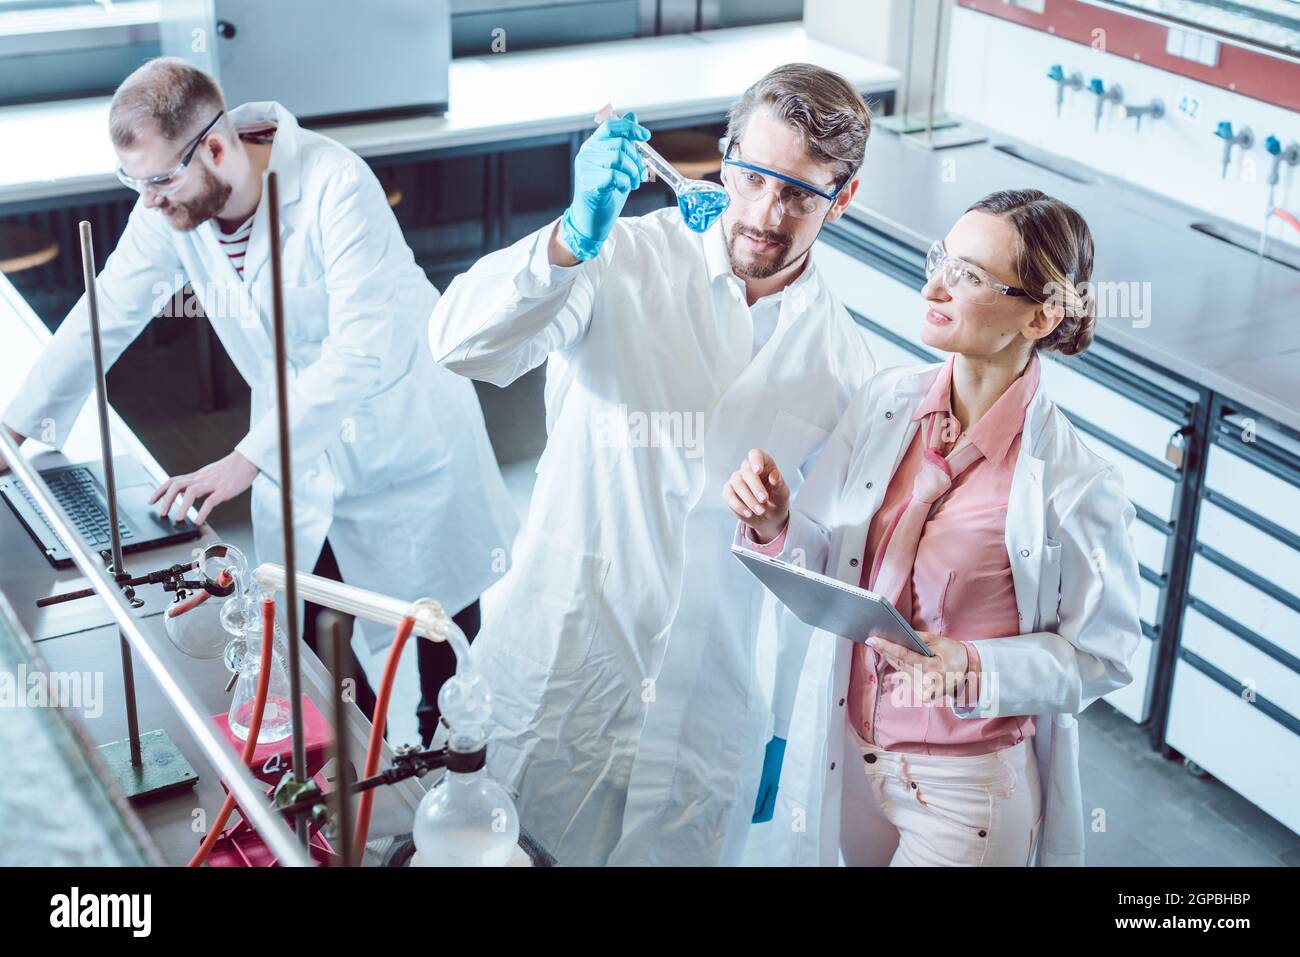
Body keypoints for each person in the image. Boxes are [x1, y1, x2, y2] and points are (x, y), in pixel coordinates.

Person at [428, 64, 877, 865]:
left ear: (841, 199)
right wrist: (570, 235)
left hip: (709, 716)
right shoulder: (619, 258)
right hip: (565, 674)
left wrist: (786, 727)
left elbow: (829, 564)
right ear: (723, 156)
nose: (765, 216)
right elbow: (461, 343)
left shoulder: (845, 364)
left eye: (801, 195)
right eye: (752, 178)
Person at [1, 59, 517, 743]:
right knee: (307, 631)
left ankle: (444, 747)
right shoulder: (175, 206)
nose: (147, 200)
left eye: (157, 180)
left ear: (215, 147)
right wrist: (13, 429)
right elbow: (108, 310)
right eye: (135, 182)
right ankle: (365, 761)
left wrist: (244, 460)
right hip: (298, 451)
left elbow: (358, 352)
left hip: (404, 434)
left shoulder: (334, 185)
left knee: (437, 619)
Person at [727, 189, 1142, 866]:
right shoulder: (885, 403)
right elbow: (833, 565)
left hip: (967, 789)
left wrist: (975, 665)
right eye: (942, 259)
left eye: (970, 276)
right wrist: (776, 523)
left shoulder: (1076, 482)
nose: (933, 285)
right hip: (855, 755)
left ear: (1039, 316)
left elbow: (1104, 655)